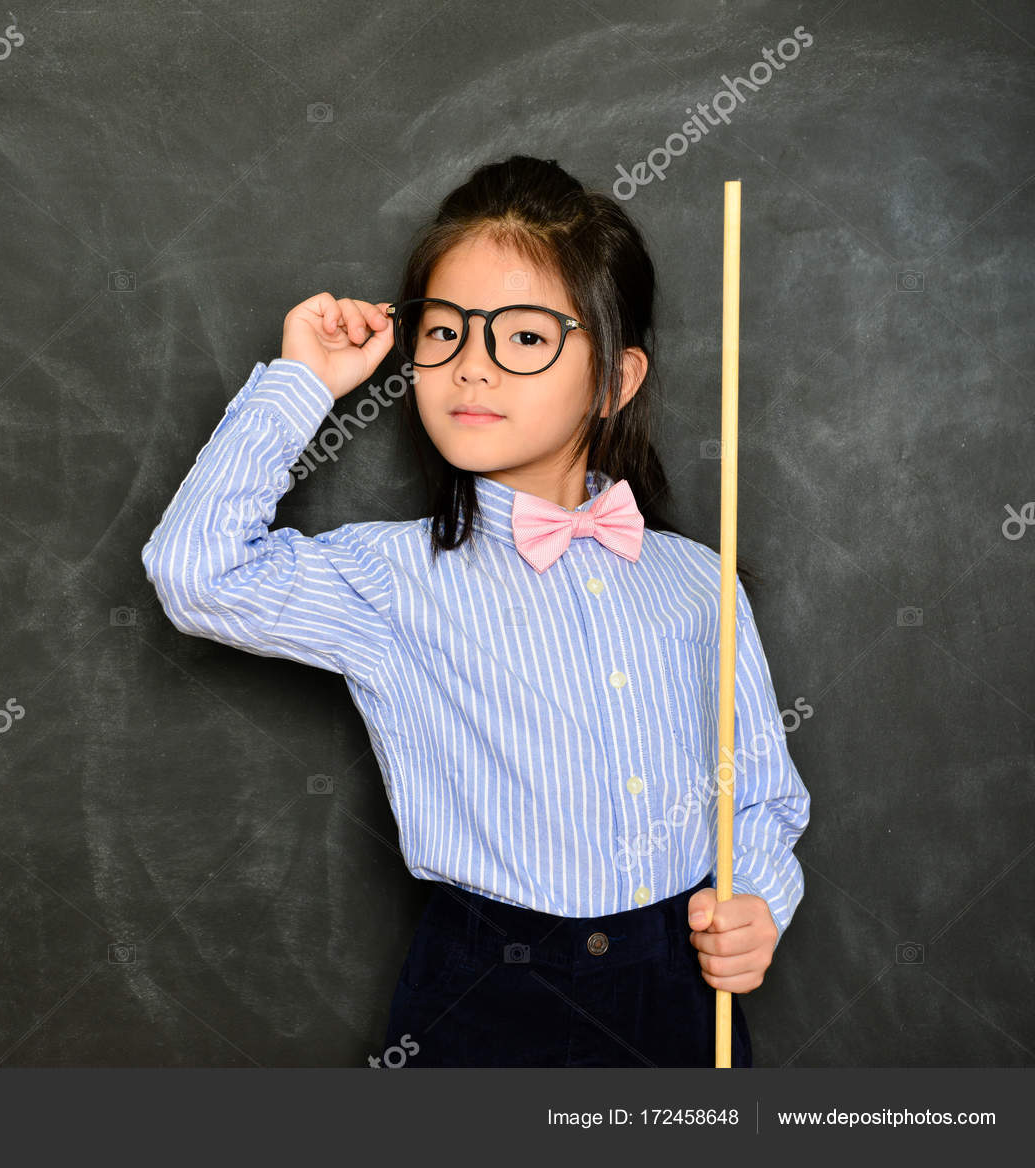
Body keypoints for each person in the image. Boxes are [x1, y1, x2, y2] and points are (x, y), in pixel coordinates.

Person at [139, 155, 810, 1067]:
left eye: (526, 339)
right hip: (487, 991)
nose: (473, 369)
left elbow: (762, 796)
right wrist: (304, 384)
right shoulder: (390, 578)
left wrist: (760, 899)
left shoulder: (699, 581)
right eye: (444, 334)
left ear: (615, 380)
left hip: (674, 987)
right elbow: (196, 573)